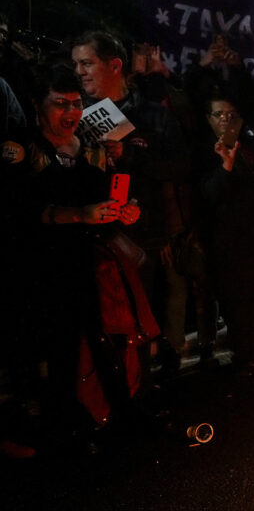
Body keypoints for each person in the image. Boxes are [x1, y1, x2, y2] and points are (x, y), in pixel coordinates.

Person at [18, 63, 152, 451]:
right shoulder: (26, 151)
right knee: (55, 347)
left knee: (103, 339)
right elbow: (21, 211)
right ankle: (57, 427)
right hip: (40, 266)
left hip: (88, 262)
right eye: (60, 104)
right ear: (36, 105)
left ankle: (116, 414)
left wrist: (128, 210)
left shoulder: (92, 149)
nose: (71, 113)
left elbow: (113, 197)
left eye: (76, 103)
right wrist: (77, 215)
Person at [71, 31, 192, 375]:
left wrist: (133, 156)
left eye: (87, 63)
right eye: (76, 64)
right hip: (99, 235)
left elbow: (182, 166)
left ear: (114, 66)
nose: (80, 72)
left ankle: (158, 384)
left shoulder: (153, 114)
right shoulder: (77, 116)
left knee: (151, 316)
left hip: (147, 233)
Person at [195, 94, 254, 368]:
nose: (225, 120)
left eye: (231, 115)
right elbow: (207, 195)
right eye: (219, 114)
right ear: (208, 119)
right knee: (235, 297)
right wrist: (225, 167)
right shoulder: (203, 150)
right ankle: (243, 351)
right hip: (225, 237)